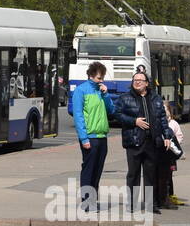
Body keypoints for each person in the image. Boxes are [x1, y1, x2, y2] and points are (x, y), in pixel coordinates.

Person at [112, 70, 171, 213]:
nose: (137, 82)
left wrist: (167, 136)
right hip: (134, 141)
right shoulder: (125, 98)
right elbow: (117, 114)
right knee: (134, 174)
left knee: (150, 175)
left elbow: (162, 118)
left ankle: (151, 204)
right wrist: (134, 121)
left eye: (140, 80)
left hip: (152, 142)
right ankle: (132, 205)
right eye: (135, 80)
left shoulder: (155, 98)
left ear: (147, 83)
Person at [70, 62, 115, 212]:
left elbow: (111, 110)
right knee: (89, 169)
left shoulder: (101, 91)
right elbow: (78, 115)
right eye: (98, 78)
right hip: (90, 136)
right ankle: (86, 201)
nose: (101, 80)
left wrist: (106, 95)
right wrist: (84, 138)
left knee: (98, 170)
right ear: (91, 75)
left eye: (102, 78)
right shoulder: (81, 91)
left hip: (102, 136)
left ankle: (93, 200)